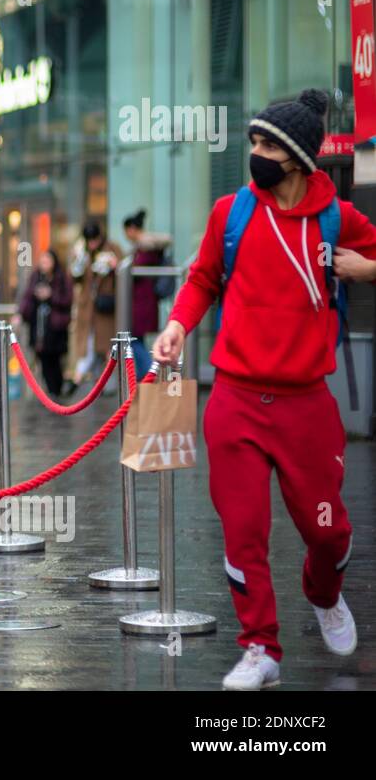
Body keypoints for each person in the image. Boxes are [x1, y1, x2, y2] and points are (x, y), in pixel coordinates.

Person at [153, 89, 371, 690]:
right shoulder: (231, 213)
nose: (256, 154)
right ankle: (259, 647)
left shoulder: (338, 219)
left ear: (299, 158)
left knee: (328, 531)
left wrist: (366, 268)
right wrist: (177, 325)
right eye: (253, 141)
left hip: (307, 408)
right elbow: (202, 278)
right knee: (243, 532)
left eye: (268, 145)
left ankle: (324, 592)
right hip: (235, 402)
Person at [68, 221, 122, 388]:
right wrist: (77, 261)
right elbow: (75, 277)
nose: (92, 244)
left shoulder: (112, 249)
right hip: (88, 307)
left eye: (94, 240)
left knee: (106, 345)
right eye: (89, 240)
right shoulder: (81, 252)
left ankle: (109, 384)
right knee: (89, 344)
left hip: (106, 307)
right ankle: (96, 383)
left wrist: (114, 265)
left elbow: (124, 270)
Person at [16, 249, 73, 397]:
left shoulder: (62, 278)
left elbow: (67, 300)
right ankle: (52, 391)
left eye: (47, 261)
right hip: (39, 326)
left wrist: (50, 296)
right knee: (43, 358)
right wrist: (21, 314)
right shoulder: (35, 277)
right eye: (42, 261)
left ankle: (57, 390)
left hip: (56, 326)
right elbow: (27, 297)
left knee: (56, 359)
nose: (44, 264)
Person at [122, 209, 172, 378]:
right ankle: (144, 378)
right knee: (137, 339)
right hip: (143, 301)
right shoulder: (148, 247)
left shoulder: (145, 249)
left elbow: (136, 272)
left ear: (132, 229)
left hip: (142, 302)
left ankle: (149, 373)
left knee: (133, 339)